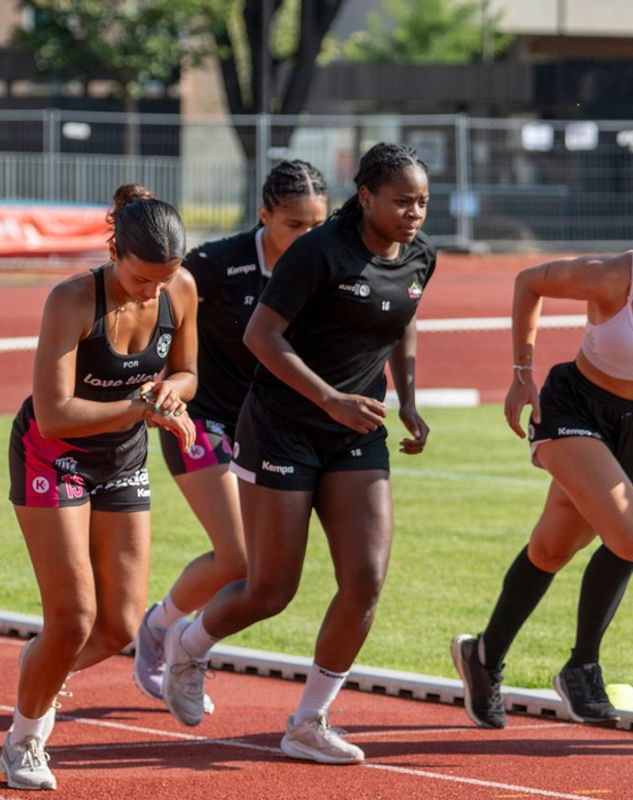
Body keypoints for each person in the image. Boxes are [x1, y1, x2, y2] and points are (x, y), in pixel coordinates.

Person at [158, 143, 435, 765]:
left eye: (421, 201)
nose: (414, 212)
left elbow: (405, 317)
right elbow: (262, 335)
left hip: (356, 431)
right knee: (270, 589)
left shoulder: (420, 254)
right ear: (365, 196)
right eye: (401, 201)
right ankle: (189, 643)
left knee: (364, 580)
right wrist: (329, 396)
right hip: (282, 427)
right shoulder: (319, 251)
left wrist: (409, 400)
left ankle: (308, 721)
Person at [451, 172, 633, 729]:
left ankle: (483, 656)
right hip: (573, 409)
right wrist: (521, 373)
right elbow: (528, 282)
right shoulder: (613, 276)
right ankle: (582, 667)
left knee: (551, 549)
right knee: (631, 533)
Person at [2, 185, 198, 790]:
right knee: (75, 616)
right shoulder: (71, 300)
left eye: (163, 279)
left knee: (117, 626)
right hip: (51, 454)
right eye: (142, 279)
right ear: (115, 251)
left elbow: (188, 373)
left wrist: (173, 393)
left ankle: (45, 660)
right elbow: (55, 412)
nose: (153, 290)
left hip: (121, 456)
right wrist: (142, 406)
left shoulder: (180, 288)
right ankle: (23, 743)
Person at [132, 160, 330, 706]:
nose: (309, 237)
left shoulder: (327, 266)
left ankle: (164, 627)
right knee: (238, 556)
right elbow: (152, 312)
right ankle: (162, 629)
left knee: (261, 566)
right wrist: (160, 386)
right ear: (264, 214)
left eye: (319, 224)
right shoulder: (218, 265)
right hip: (202, 422)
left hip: (267, 430)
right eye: (295, 225)